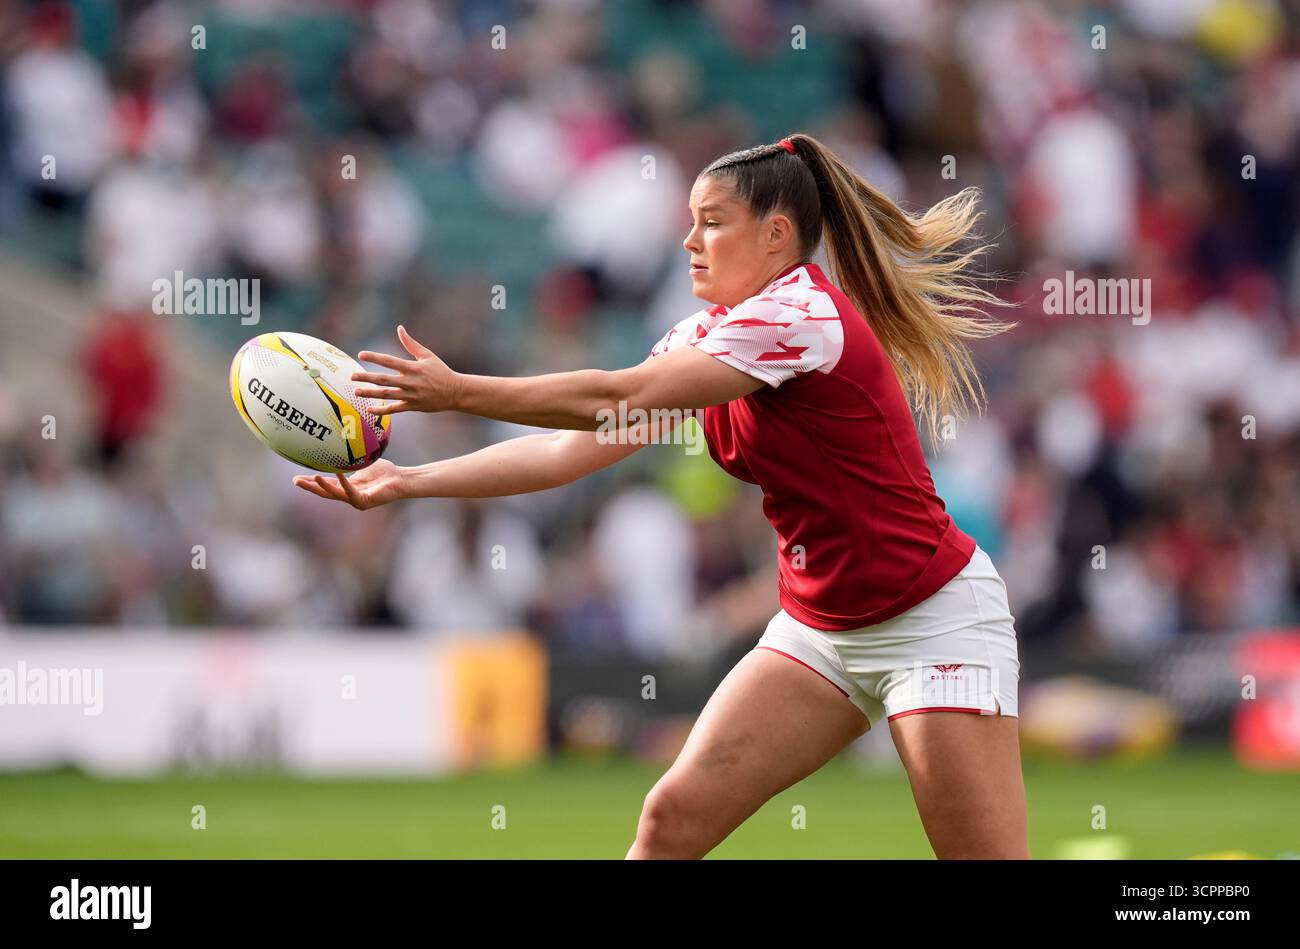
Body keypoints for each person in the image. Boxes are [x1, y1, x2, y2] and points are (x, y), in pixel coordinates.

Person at [294, 133, 1027, 859]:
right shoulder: (709, 335)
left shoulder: (798, 316)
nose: (688, 240)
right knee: (670, 817)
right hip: (821, 631)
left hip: (933, 623)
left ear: (776, 235)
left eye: (711, 221)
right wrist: (408, 482)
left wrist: (459, 392)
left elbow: (620, 393)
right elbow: (561, 454)